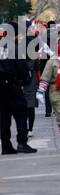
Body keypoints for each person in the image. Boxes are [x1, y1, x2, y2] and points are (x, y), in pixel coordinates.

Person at [0, 26, 37, 155]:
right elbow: (22, 68)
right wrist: (24, 80)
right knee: (21, 114)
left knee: (3, 117)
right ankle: (22, 142)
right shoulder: (14, 48)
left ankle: (5, 145)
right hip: (12, 85)